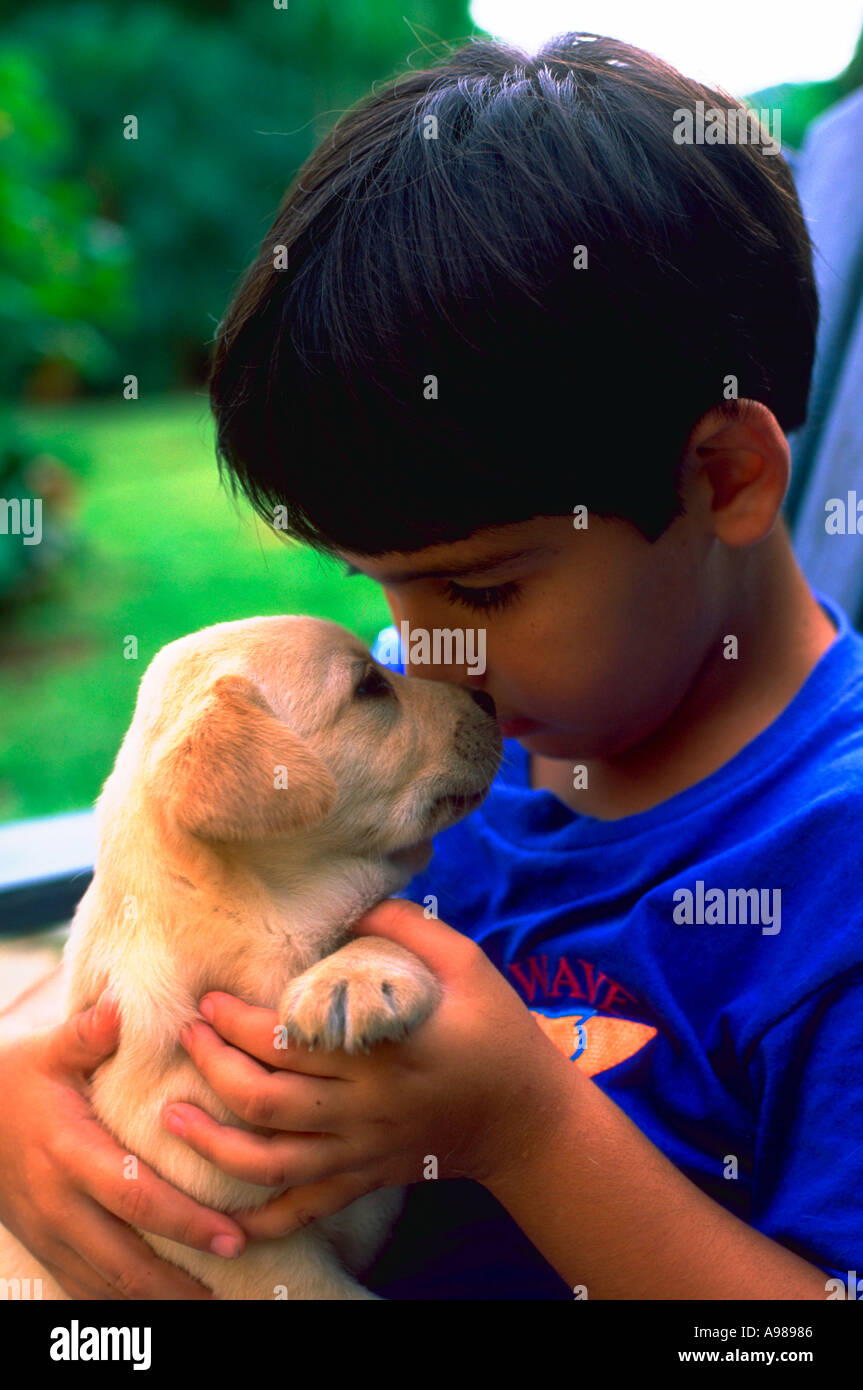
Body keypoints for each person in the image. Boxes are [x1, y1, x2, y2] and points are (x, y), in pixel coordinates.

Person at [2, 32, 860, 1300]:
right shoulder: (420, 737)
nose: (423, 649)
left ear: (724, 476)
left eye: (484, 586)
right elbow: (159, 927)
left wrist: (524, 1132)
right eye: (375, 587)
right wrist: (27, 1092)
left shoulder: (829, 873)